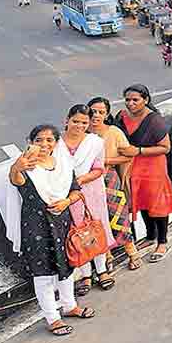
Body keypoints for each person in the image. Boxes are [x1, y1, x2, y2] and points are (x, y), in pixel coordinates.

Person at [9, 124, 96, 336]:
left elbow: (76, 191)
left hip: (61, 221)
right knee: (43, 273)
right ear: (30, 142)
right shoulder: (26, 166)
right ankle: (52, 318)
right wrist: (17, 167)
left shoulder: (63, 165)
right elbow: (15, 180)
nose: (44, 144)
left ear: (56, 143)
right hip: (36, 225)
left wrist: (66, 202)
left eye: (49, 140)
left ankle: (69, 306)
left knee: (66, 266)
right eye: (39, 140)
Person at [116, 85, 172, 264]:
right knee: (141, 200)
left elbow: (165, 147)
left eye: (135, 100)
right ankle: (150, 235)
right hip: (132, 166)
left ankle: (162, 242)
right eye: (127, 99)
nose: (130, 103)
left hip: (153, 167)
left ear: (146, 100)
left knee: (156, 203)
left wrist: (137, 150)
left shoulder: (154, 121)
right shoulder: (121, 117)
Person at [57, 104, 116, 296]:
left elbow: (99, 169)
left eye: (84, 122)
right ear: (67, 120)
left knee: (95, 228)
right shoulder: (56, 144)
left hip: (90, 190)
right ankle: (85, 275)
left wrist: (79, 180)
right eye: (76, 121)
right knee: (76, 232)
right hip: (66, 194)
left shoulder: (95, 142)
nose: (80, 126)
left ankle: (102, 271)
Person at [87, 97, 142, 271]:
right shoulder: (81, 130)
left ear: (107, 114)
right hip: (87, 182)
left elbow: (128, 155)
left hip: (109, 179)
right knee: (96, 220)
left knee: (118, 216)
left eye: (101, 112)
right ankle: (106, 258)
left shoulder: (113, 132)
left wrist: (105, 161)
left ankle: (132, 252)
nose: (96, 115)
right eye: (92, 111)